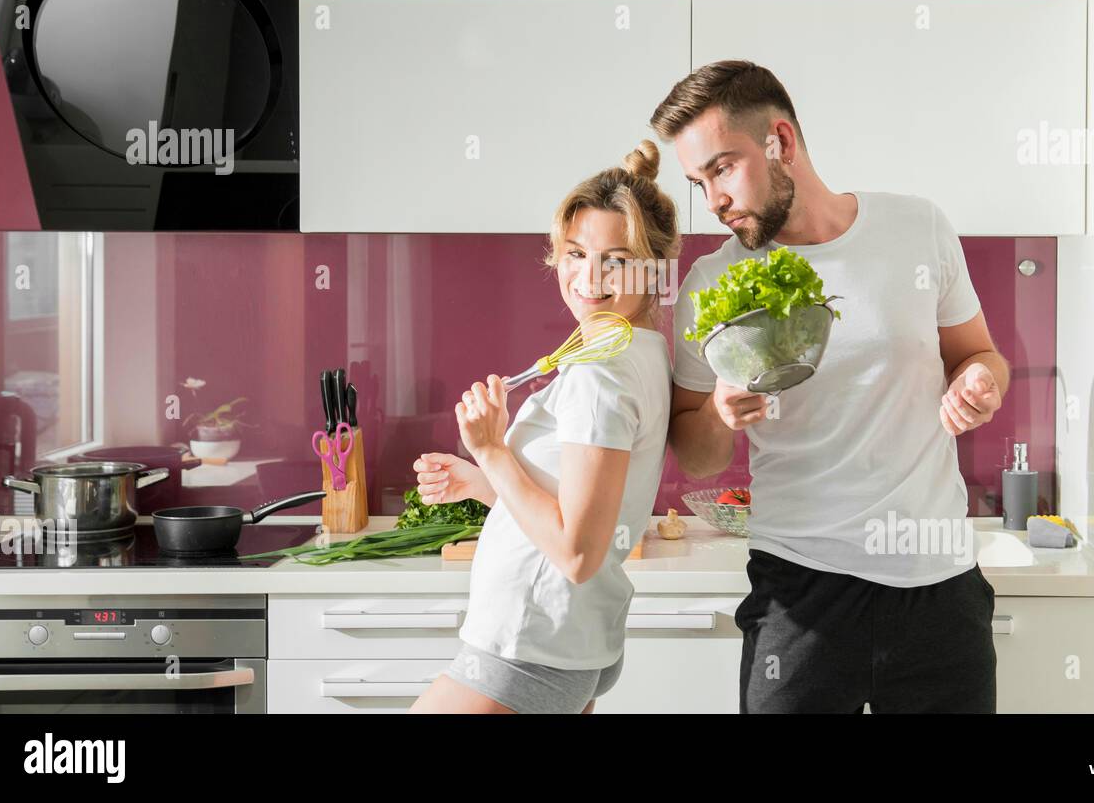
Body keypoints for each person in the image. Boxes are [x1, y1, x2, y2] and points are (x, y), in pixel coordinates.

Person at [653, 60, 1010, 713]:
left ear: (780, 142)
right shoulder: (711, 283)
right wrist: (722, 414)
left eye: (722, 169)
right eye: (698, 182)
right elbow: (696, 453)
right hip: (798, 592)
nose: (714, 201)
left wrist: (981, 380)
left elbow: (980, 354)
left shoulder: (916, 229)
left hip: (936, 582)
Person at [408, 140, 680, 714]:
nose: (588, 275)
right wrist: (483, 485)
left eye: (617, 259)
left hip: (526, 643)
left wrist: (491, 452)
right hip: (567, 640)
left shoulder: (600, 373)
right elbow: (581, 498)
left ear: (653, 269)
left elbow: (578, 552)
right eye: (576, 252)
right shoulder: (645, 351)